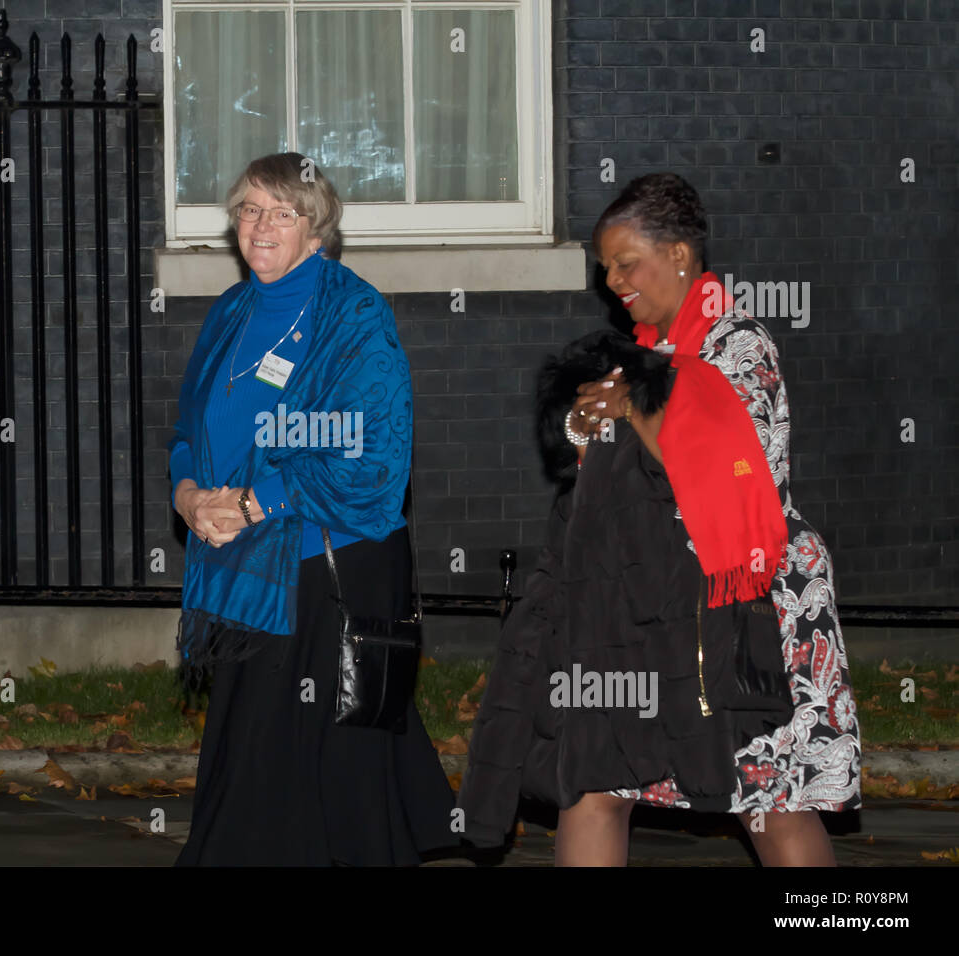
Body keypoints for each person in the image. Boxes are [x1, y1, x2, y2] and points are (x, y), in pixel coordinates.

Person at [460, 173, 860, 867]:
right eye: (606, 268)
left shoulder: (740, 343)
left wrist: (633, 410)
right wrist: (585, 436)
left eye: (625, 262)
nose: (614, 281)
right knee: (592, 784)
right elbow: (624, 484)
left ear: (678, 254)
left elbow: (742, 471)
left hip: (741, 607)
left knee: (768, 798)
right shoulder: (644, 359)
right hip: (641, 605)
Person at [167, 152, 455, 866]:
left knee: (321, 766)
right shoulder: (232, 312)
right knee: (257, 754)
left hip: (332, 571)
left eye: (281, 212)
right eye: (248, 209)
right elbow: (186, 433)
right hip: (248, 572)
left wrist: (256, 500)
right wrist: (190, 496)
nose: (260, 226)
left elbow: (374, 454)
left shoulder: (353, 315)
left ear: (316, 228)